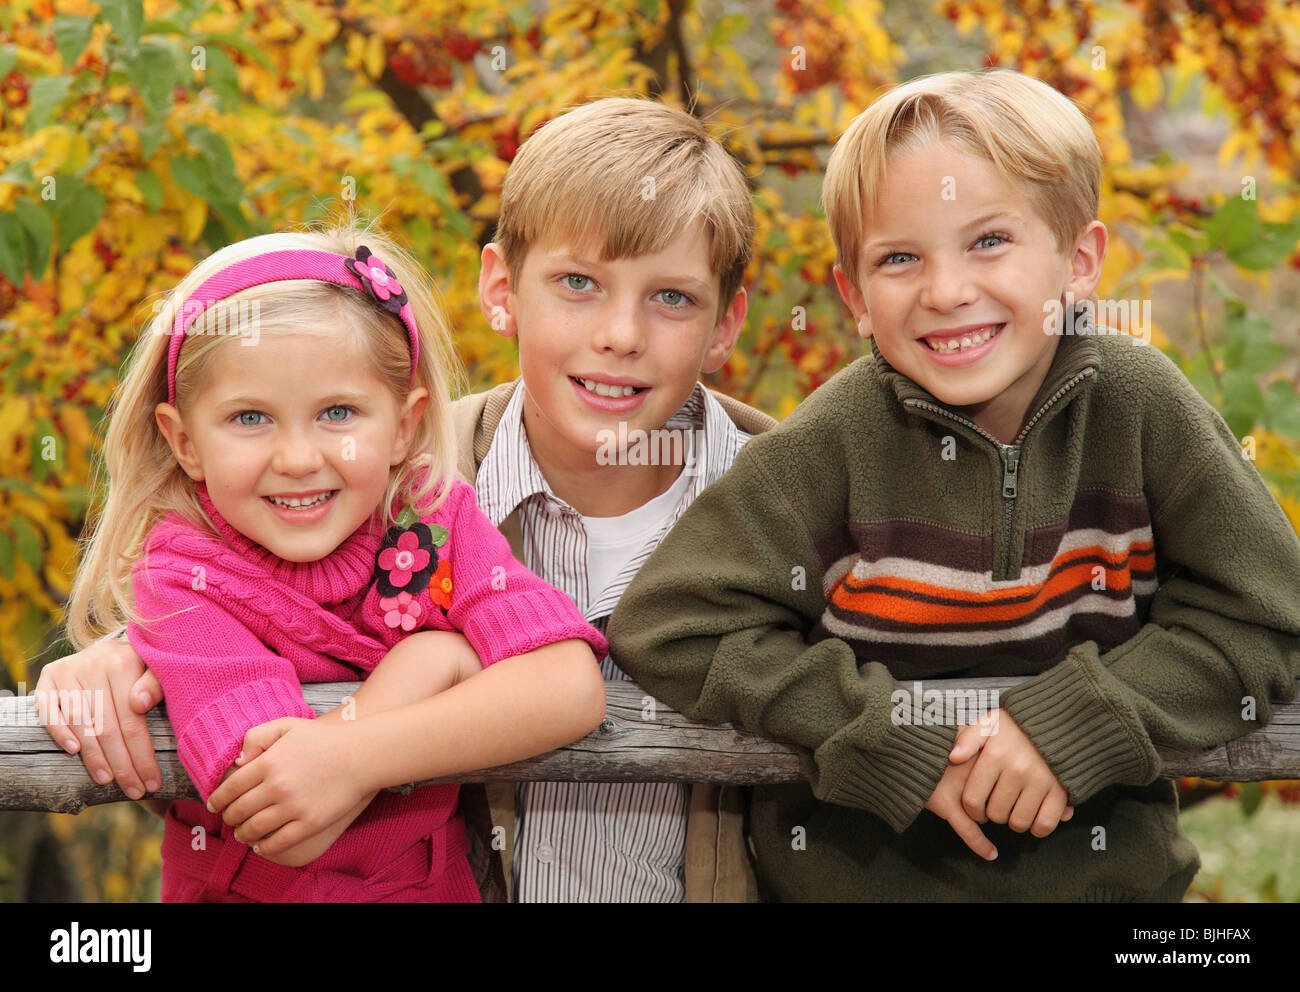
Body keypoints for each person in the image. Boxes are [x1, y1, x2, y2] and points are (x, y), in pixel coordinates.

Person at [39, 97, 774, 902]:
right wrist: (126, 652)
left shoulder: (790, 507)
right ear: (500, 287)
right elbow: (235, 619)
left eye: (671, 298)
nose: (622, 335)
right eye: (577, 283)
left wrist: (388, 707)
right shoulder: (401, 481)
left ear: (725, 324)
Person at [608, 69, 1300, 901]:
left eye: (988, 242)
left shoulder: (1139, 408)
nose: (946, 292)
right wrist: (889, 737)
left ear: (1079, 260)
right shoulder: (836, 440)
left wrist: (1080, 723)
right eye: (899, 258)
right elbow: (673, 624)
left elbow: (1269, 614)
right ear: (854, 296)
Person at [56, 220, 608, 901]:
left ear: (403, 427)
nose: (298, 459)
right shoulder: (182, 577)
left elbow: (571, 688)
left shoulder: (432, 521)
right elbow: (282, 810)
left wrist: (353, 752)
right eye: (250, 418)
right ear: (184, 441)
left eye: (339, 412)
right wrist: (434, 664)